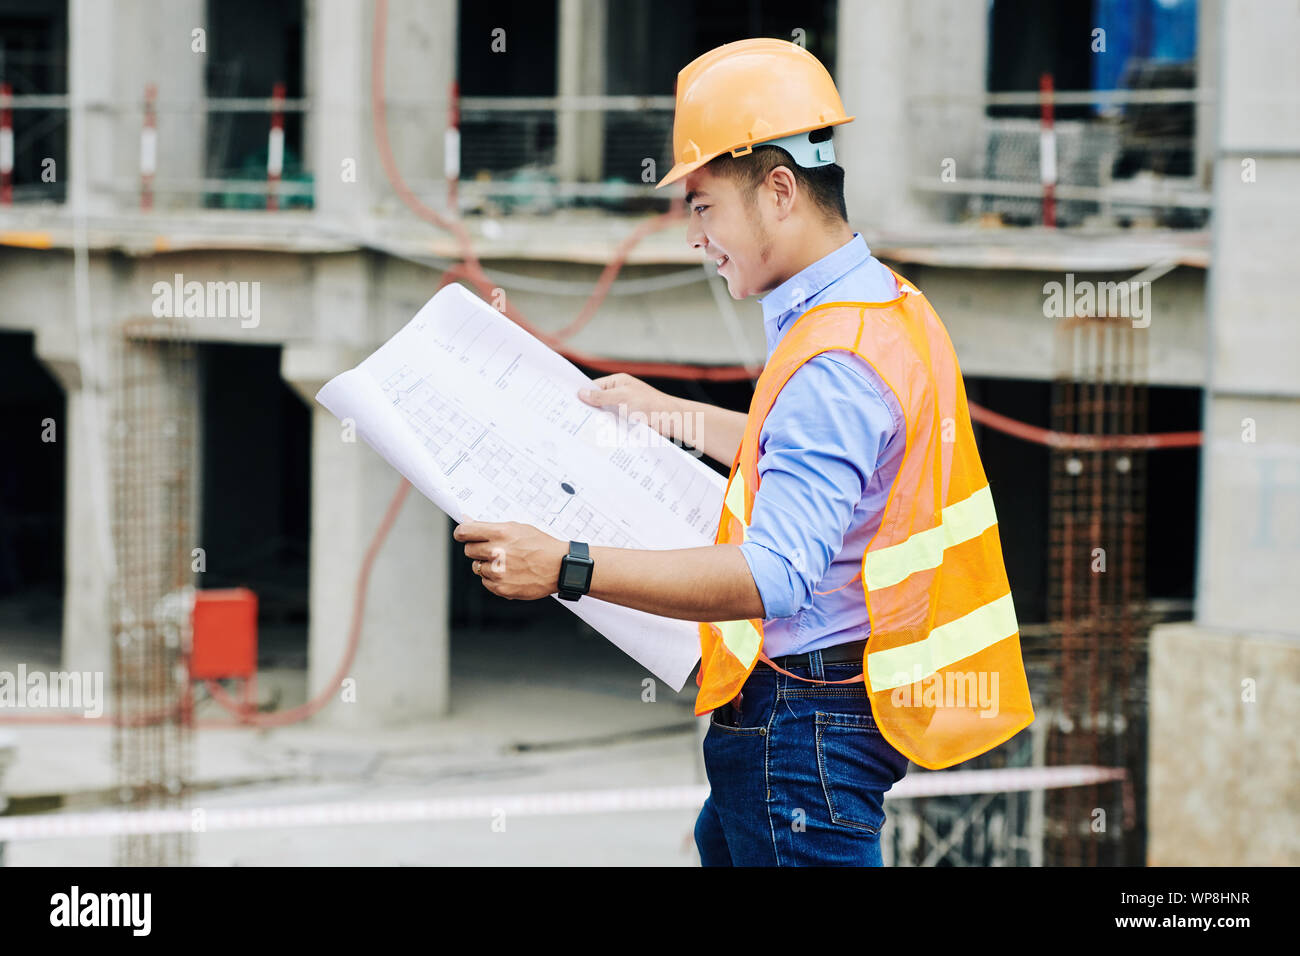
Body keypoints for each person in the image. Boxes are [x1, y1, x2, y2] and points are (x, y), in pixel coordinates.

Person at [453, 38, 1034, 866]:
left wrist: (568, 565)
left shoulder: (833, 361)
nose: (696, 235)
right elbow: (810, 454)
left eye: (702, 206)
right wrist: (671, 415)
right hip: (825, 714)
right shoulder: (886, 308)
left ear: (780, 191)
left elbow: (775, 574)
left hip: (803, 734)